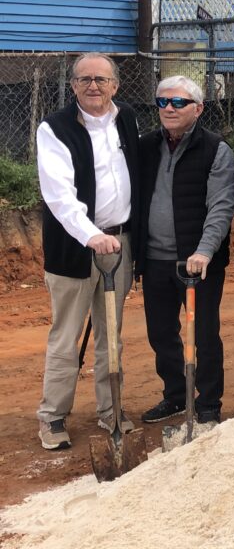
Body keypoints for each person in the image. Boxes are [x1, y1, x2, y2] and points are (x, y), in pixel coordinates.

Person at [35, 52, 141, 450]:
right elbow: (58, 195)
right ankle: (52, 417)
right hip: (74, 247)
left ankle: (110, 411)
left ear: (115, 85)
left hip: (120, 242)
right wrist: (90, 234)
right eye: (84, 79)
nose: (93, 86)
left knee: (111, 333)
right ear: (73, 85)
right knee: (66, 334)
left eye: (101, 79)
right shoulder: (55, 128)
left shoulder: (127, 118)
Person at [136, 76, 234, 426]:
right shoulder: (145, 146)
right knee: (161, 332)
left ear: (198, 108)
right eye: (162, 102)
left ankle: (209, 403)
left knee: (204, 334)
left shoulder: (215, 149)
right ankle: (176, 395)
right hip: (154, 260)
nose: (168, 108)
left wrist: (205, 251)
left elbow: (221, 206)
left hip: (197, 264)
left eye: (178, 102)